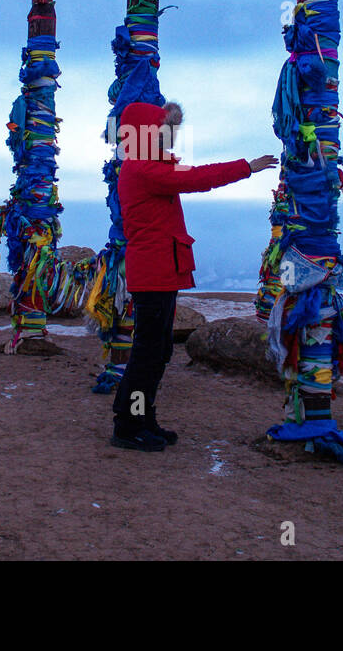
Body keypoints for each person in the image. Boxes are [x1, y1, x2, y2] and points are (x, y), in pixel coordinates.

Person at [110, 100, 278, 451]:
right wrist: (245, 167)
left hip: (162, 271)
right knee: (147, 353)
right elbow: (197, 178)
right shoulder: (142, 170)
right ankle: (128, 425)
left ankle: (144, 418)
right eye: (159, 131)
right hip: (154, 273)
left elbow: (187, 175)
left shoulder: (146, 166)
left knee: (158, 351)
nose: (166, 139)